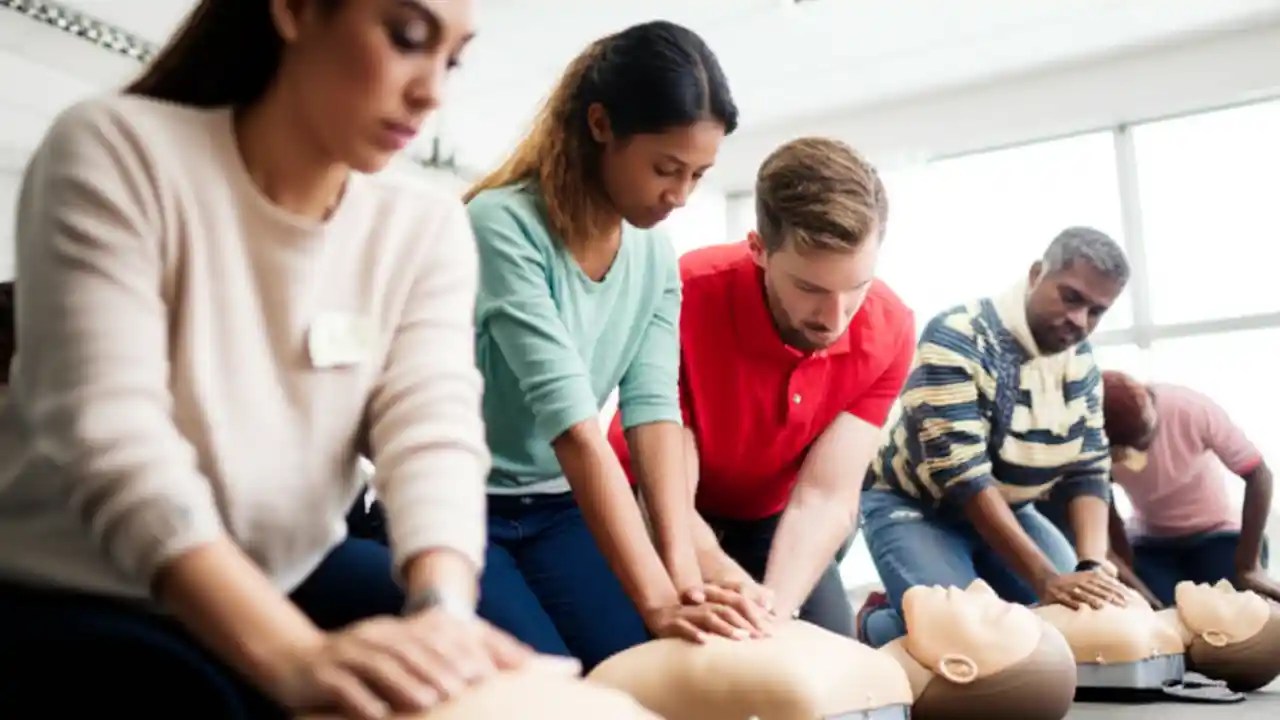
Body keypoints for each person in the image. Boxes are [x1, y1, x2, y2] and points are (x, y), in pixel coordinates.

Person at [0, 2, 533, 718]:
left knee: (488, 669)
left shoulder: (424, 226)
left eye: (453, 57)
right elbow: (115, 445)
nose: (432, 90)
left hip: (286, 568)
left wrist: (442, 610)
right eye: (407, 38)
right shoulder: (115, 150)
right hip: (80, 584)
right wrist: (292, 656)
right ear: (294, 10)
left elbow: (431, 432)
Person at [462, 20, 755, 671]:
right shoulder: (501, 225)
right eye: (664, 169)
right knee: (552, 684)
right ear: (601, 125)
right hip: (457, 502)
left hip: (556, 506)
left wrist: (682, 576)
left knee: (646, 664)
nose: (679, 196)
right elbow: (574, 427)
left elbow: (653, 412)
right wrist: (654, 597)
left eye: (698, 175)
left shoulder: (654, 255)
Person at [607, 137, 916, 637]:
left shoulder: (892, 329)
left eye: (856, 287)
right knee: (662, 655)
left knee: (817, 659)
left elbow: (824, 497)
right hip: (652, 498)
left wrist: (774, 613)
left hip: (768, 517)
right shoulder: (685, 292)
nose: (834, 319)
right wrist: (716, 574)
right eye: (810, 289)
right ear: (759, 250)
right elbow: (669, 490)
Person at [855, 227, 1134, 648]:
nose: (1080, 320)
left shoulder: (1080, 361)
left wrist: (1091, 565)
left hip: (1010, 508)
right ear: (1037, 274)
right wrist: (1045, 577)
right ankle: (880, 621)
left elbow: (1089, 471)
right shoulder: (958, 335)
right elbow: (964, 476)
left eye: (1096, 311)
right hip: (918, 506)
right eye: (1071, 297)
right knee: (972, 641)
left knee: (1070, 626)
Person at [1097, 370, 1278, 606]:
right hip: (1150, 545)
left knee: (1229, 609)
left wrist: (1249, 567)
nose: (1144, 448)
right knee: (1159, 614)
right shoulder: (1094, 445)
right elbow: (1106, 512)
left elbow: (1258, 474)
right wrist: (1136, 588)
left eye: (1147, 435)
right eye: (1130, 446)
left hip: (1218, 533)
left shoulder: (1189, 408)